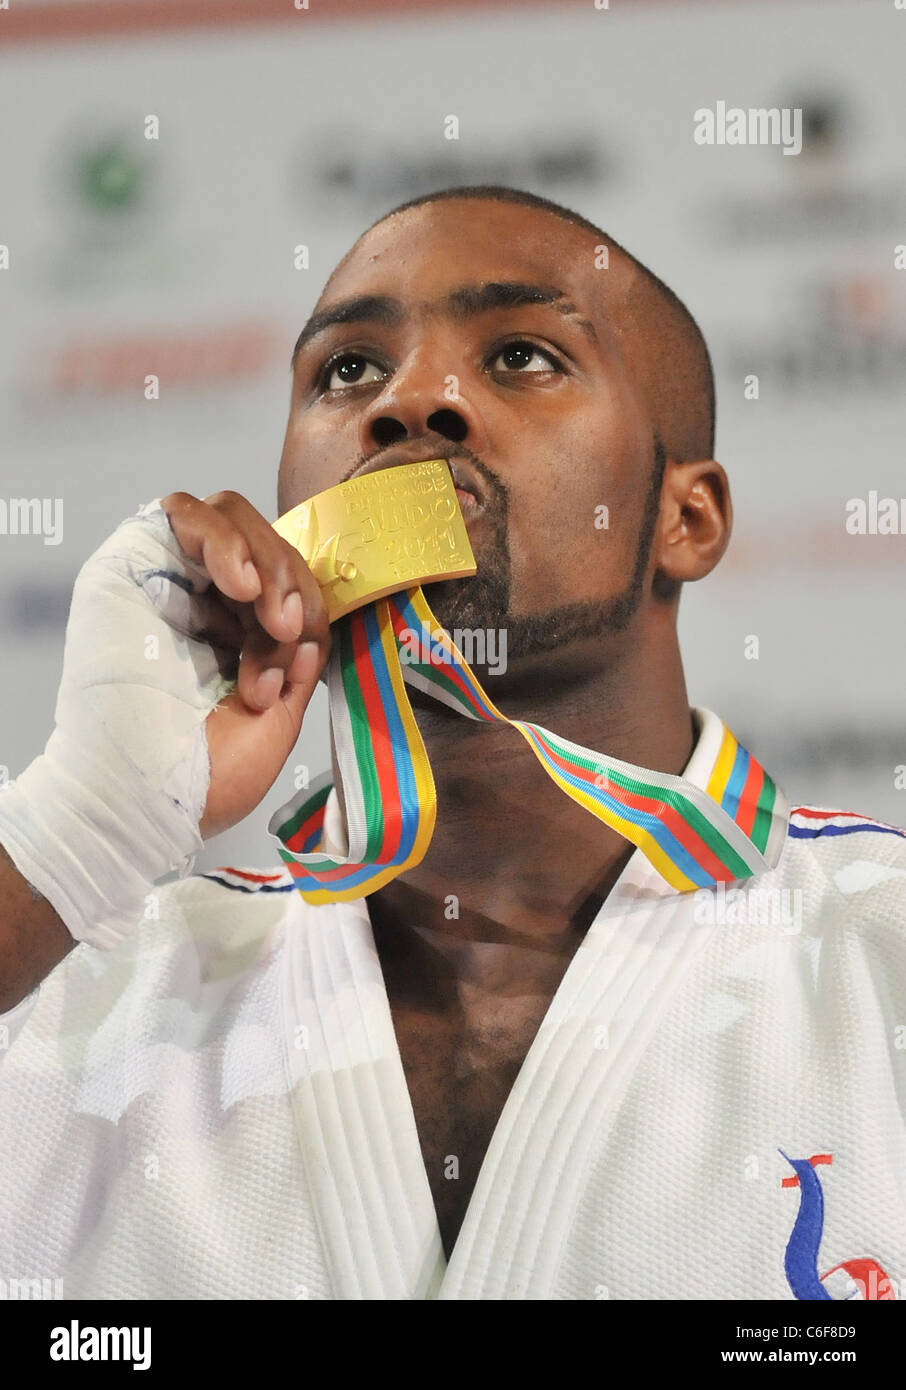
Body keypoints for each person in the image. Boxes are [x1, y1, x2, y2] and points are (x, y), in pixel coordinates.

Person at [0, 186, 903, 1302]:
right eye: (347, 371)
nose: (409, 402)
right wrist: (78, 829)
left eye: (522, 354)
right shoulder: (77, 993)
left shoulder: (885, 947)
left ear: (688, 519)